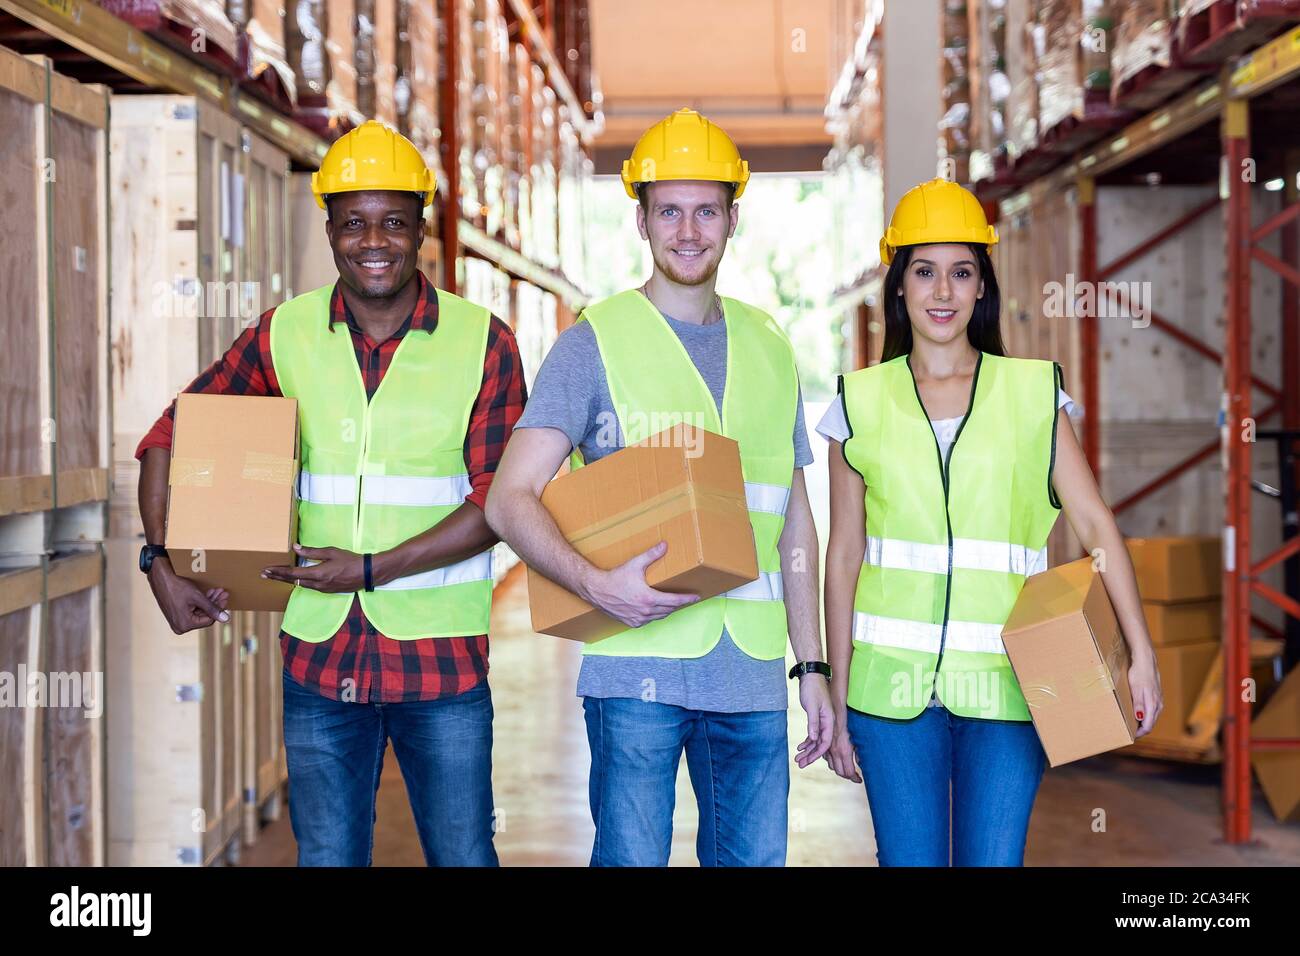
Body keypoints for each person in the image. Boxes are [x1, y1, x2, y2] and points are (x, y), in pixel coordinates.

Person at [134, 121, 527, 866]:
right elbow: (172, 433)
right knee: (328, 860)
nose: (372, 240)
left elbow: (499, 502)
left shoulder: (485, 341)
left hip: (440, 662)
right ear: (329, 230)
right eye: (353, 223)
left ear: (421, 233)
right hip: (321, 658)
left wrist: (370, 568)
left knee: (465, 856)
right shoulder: (284, 335)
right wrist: (159, 559)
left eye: (393, 223)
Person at [484, 108, 834, 867]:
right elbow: (509, 497)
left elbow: (795, 522)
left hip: (750, 680)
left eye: (706, 211)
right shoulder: (593, 342)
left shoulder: (772, 347)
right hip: (633, 672)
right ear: (641, 221)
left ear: (733, 220)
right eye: (668, 211)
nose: (688, 230)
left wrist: (812, 667)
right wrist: (593, 584)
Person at [818, 178, 1164, 866]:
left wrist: (1140, 653)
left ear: (982, 288)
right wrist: (834, 686)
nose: (942, 290)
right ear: (898, 288)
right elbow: (843, 555)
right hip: (889, 697)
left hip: (1008, 686)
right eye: (924, 271)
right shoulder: (857, 403)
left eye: (961, 271)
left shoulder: (1034, 395)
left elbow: (1095, 524)